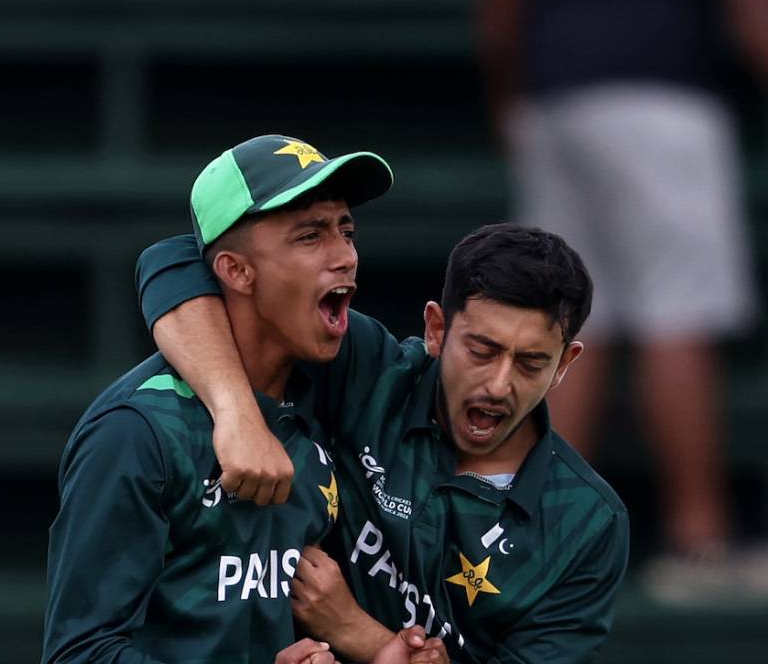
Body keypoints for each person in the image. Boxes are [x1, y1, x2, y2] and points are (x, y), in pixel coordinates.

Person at [478, 0, 768, 602]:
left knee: (566, 324)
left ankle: (534, 540)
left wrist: (511, 96)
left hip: (553, 102)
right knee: (676, 316)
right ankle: (698, 541)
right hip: (660, 99)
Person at [138, 223, 629, 663]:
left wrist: (357, 633)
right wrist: (236, 413)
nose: (499, 385)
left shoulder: (588, 522)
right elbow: (175, 262)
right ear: (436, 329)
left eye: (531, 363)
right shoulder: (370, 374)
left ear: (565, 364)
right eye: (481, 351)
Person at [42, 134, 399, 664]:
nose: (344, 256)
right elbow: (78, 655)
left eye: (346, 230)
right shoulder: (137, 432)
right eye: (310, 235)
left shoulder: (333, 381)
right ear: (236, 271)